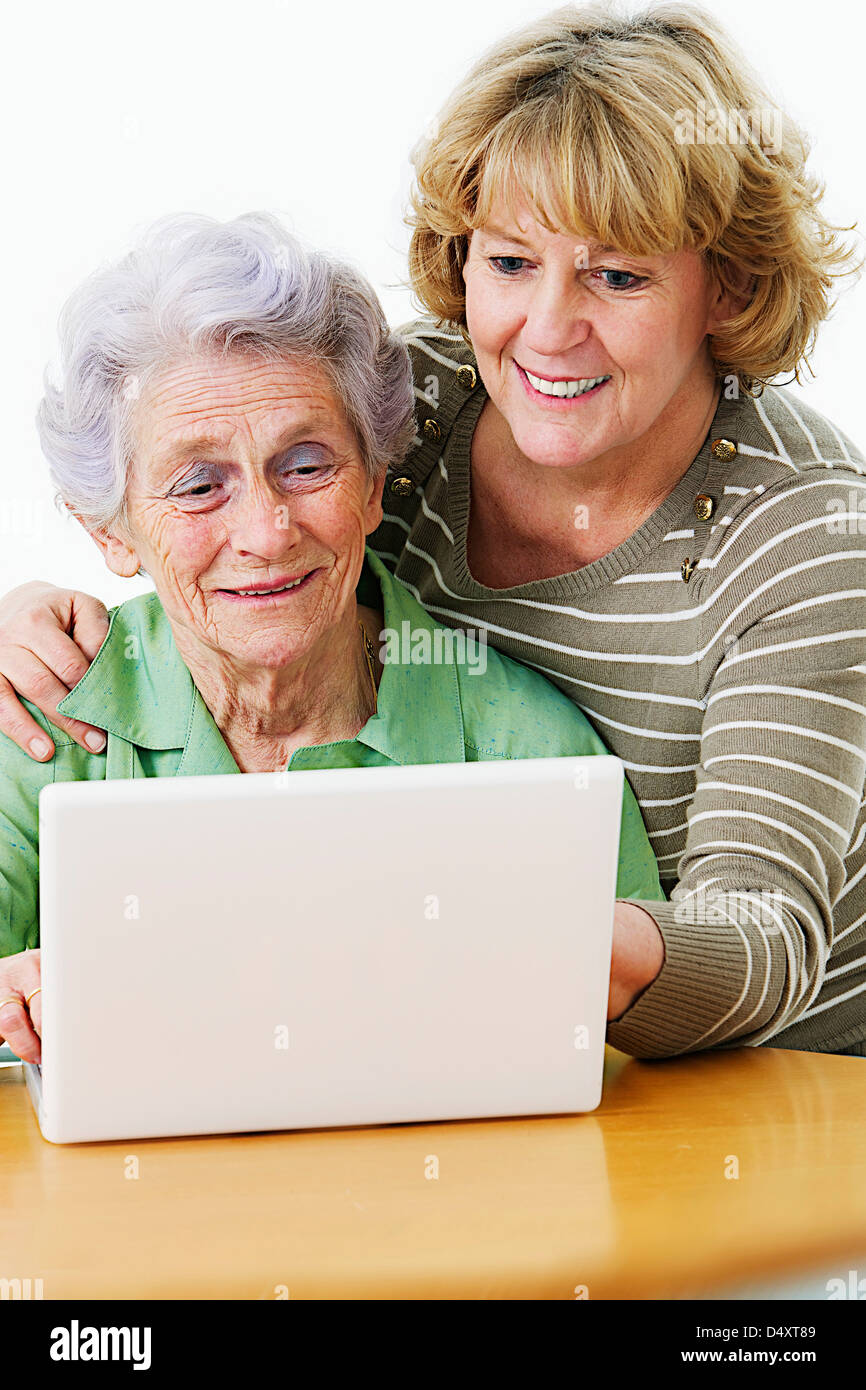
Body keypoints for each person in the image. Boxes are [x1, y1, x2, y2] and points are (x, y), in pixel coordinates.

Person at [1, 5, 864, 1059]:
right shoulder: (416, 400)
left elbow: (760, 939)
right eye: (507, 262)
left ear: (722, 286)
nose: (544, 330)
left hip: (775, 1085)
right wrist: (35, 619)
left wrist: (509, 940)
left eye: (619, 274)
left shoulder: (809, 532)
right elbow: (199, 492)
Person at [0, 211, 664, 1066]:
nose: (268, 532)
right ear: (111, 533)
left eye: (307, 464)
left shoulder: (527, 744)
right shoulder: (36, 725)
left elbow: (632, 1067)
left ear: (376, 483)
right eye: (200, 485)